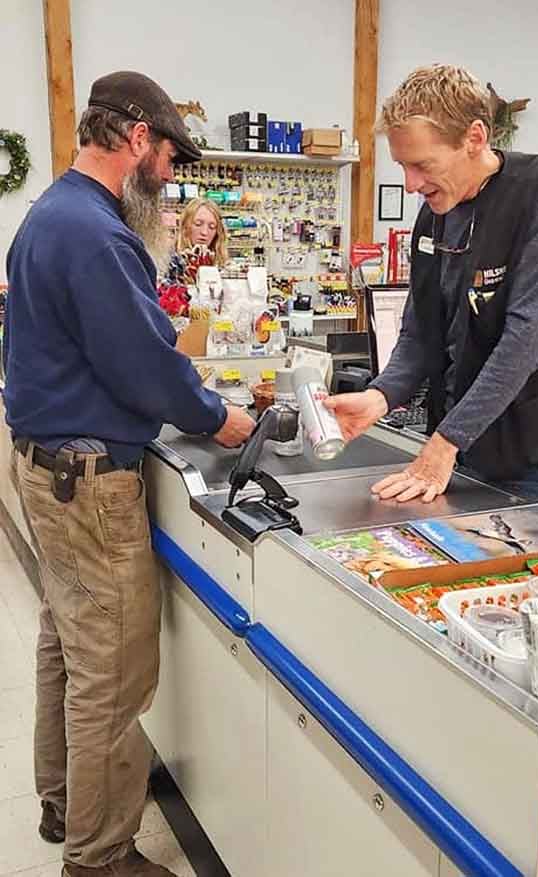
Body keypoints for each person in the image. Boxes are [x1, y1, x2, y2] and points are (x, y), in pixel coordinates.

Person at [2, 71, 255, 877]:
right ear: (137, 137)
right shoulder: (98, 234)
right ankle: (100, 854)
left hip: (44, 464)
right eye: (170, 158)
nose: (171, 177)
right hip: (88, 480)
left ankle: (63, 801)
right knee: (111, 669)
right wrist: (219, 416)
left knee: (67, 644)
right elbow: (145, 365)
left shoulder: (50, 213)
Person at [326, 64, 538, 504]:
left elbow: (529, 336)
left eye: (422, 165)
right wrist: (380, 396)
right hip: (455, 449)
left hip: (527, 459)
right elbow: (421, 331)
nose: (410, 185)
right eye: (403, 166)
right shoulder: (435, 215)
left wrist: (446, 442)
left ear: (474, 138)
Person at [177, 197, 227, 264]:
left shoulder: (225, 265)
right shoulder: (169, 261)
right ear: (185, 225)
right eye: (198, 224)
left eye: (212, 227)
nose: (204, 232)